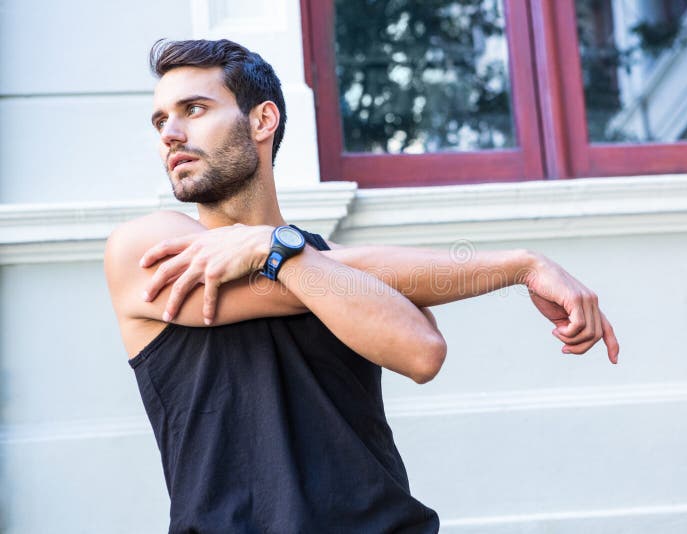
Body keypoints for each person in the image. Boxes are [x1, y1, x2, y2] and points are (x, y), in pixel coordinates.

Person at [104, 39, 619, 533]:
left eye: (193, 109)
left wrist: (274, 247)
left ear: (263, 120)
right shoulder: (147, 248)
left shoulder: (317, 261)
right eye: (160, 120)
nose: (170, 133)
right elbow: (304, 276)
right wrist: (519, 264)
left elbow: (423, 352)